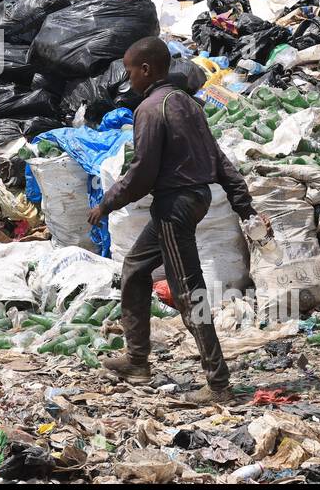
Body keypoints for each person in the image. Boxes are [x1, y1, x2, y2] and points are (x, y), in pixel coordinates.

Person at [87, 36, 266, 403]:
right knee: (135, 271)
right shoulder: (189, 104)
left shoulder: (151, 109)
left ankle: (218, 384)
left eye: (131, 70)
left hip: (174, 207)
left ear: (147, 69)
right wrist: (243, 205)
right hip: (194, 200)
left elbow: (142, 172)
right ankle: (137, 361)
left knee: (188, 291)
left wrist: (106, 203)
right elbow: (219, 161)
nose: (129, 78)